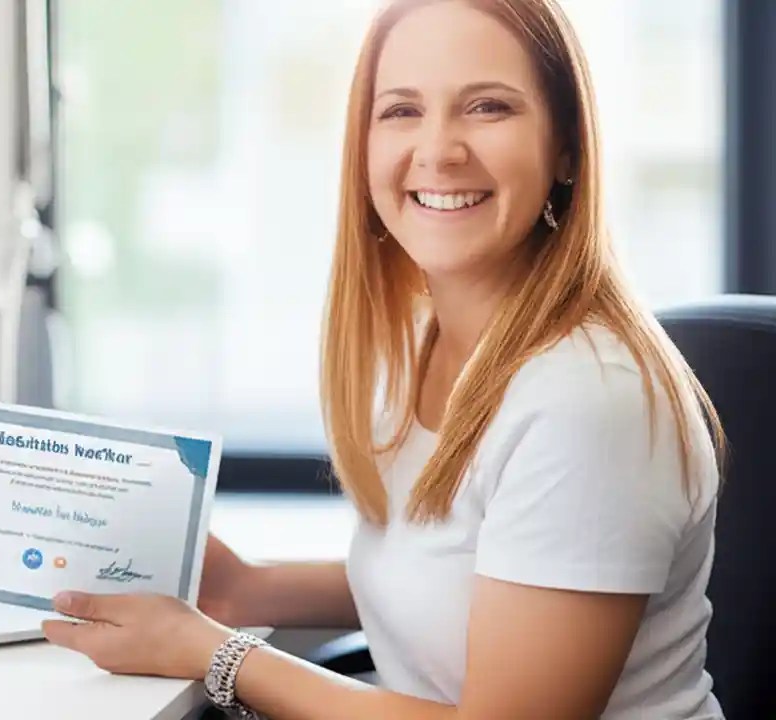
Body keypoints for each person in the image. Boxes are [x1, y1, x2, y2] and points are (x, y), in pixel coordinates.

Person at [40, 0, 727, 717]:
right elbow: (467, 579)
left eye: (488, 107)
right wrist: (243, 589)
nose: (439, 151)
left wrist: (217, 653)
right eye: (401, 111)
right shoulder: (430, 340)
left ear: (566, 148)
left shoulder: (589, 401)